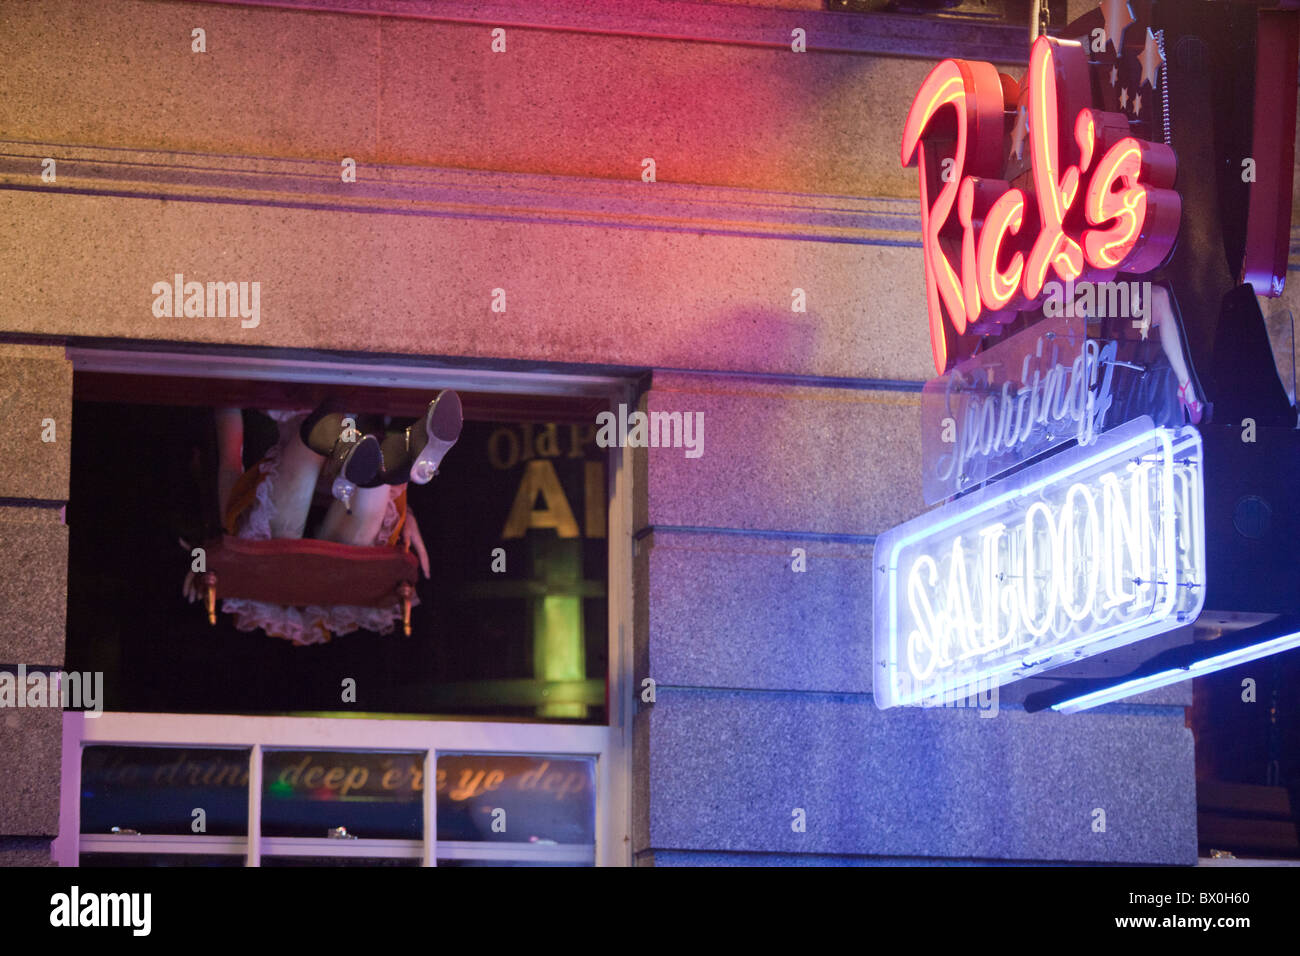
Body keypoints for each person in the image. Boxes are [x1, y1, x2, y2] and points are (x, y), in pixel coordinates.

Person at [182, 391, 463, 645]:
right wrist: (406, 512)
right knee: (354, 547)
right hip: (355, 458)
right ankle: (397, 458)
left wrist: (219, 542)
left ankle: (353, 446)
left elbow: (230, 453)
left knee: (275, 541)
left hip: (306, 458)